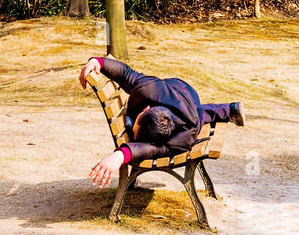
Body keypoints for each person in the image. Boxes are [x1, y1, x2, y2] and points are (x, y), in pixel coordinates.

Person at [79, 56, 245, 187]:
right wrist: (98, 62)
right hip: (175, 92)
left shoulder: (185, 137)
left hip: (186, 96)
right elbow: (125, 73)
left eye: (135, 129)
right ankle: (230, 109)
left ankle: (230, 110)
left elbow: (151, 149)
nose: (134, 133)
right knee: (201, 113)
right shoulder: (148, 88)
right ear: (145, 110)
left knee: (199, 115)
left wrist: (120, 155)